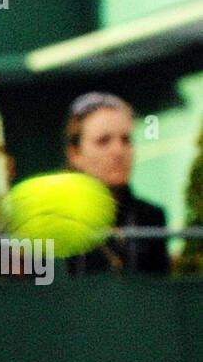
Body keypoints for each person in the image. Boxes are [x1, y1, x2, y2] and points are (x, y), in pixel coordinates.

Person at [63, 91, 171, 276]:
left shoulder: (151, 217)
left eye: (126, 140)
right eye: (103, 141)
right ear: (75, 154)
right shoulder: (55, 217)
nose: (118, 151)